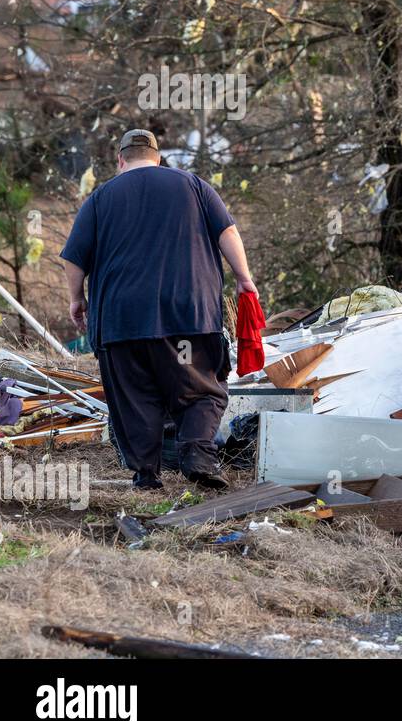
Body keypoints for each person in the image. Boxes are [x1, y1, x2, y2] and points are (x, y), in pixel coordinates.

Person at [60, 129, 258, 490]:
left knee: (135, 398)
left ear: (120, 160)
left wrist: (77, 299)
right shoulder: (193, 185)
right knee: (201, 388)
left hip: (121, 320)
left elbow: (73, 257)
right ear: (158, 157)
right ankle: (197, 453)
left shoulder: (100, 197)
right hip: (188, 314)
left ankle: (146, 475)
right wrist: (244, 279)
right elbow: (227, 232)